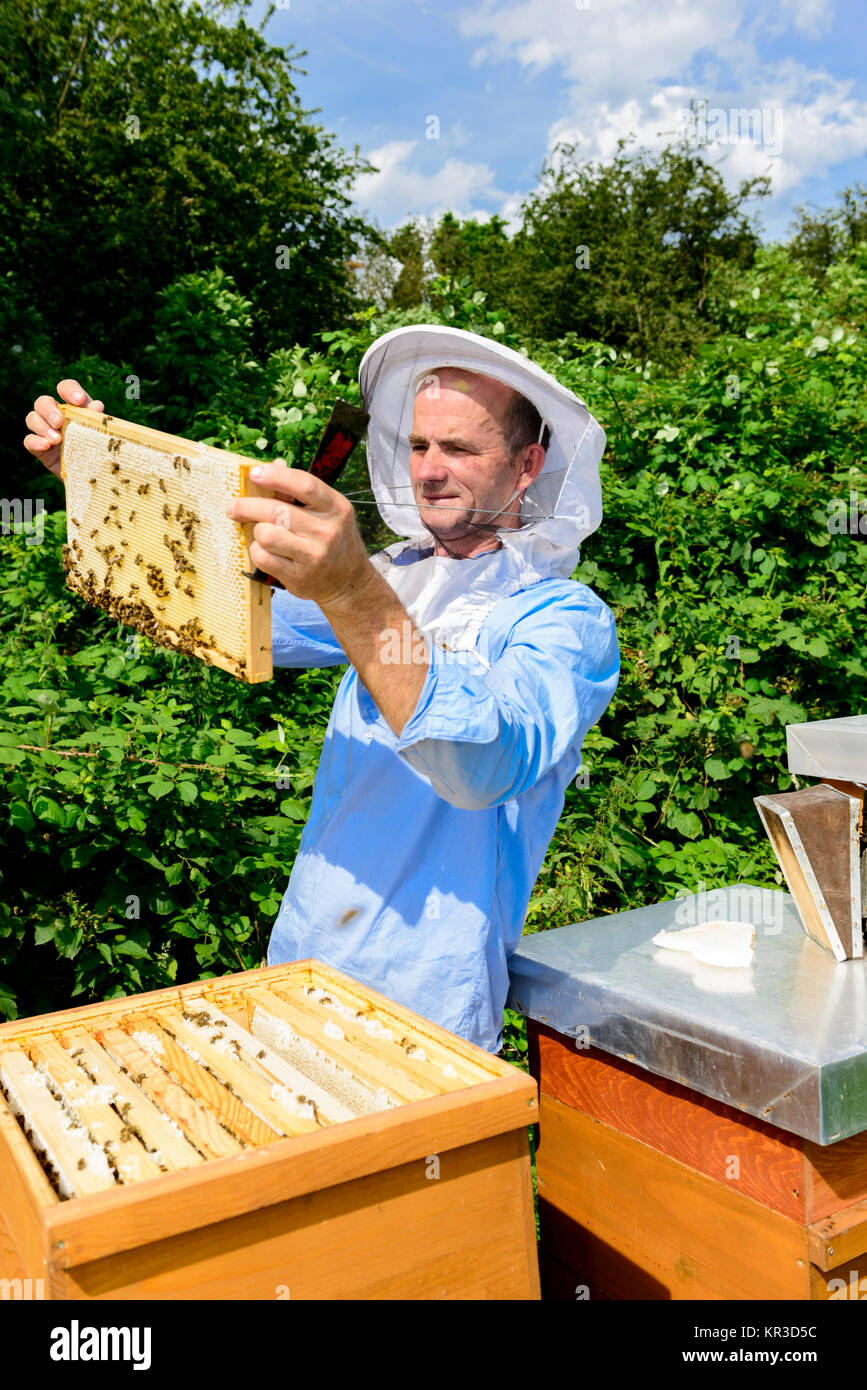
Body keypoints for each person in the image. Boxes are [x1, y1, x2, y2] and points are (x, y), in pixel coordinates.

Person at [24, 325, 619, 1052]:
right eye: (418, 446)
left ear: (528, 465)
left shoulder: (562, 620)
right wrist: (99, 475)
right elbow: (226, 606)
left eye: (461, 448)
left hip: (426, 1007)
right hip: (303, 963)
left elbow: (480, 768)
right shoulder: (395, 572)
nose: (431, 470)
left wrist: (353, 588)